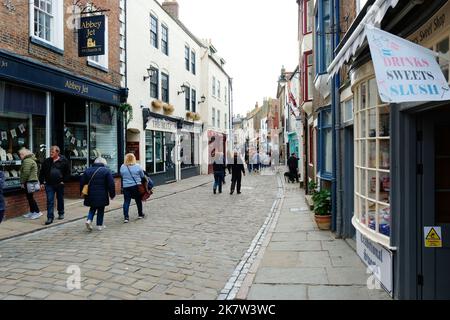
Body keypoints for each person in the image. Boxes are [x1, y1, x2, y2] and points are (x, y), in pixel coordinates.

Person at [80, 157, 115, 231]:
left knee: (92, 207)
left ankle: (89, 220)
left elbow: (82, 182)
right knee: (101, 209)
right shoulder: (106, 171)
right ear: (103, 163)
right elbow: (111, 184)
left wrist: (82, 193)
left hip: (90, 194)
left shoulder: (87, 170)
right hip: (102, 194)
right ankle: (99, 225)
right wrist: (112, 194)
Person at [39, 146, 70, 225]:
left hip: (59, 184)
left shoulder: (64, 161)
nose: (51, 153)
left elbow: (68, 172)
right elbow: (42, 172)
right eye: (50, 152)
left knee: (60, 199)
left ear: (57, 152)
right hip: (49, 184)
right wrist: (41, 182)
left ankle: (61, 212)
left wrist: (64, 181)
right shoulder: (47, 161)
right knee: (50, 200)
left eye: (52, 152)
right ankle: (50, 217)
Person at [120, 153, 145, 223]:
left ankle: (126, 217)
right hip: (136, 186)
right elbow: (142, 176)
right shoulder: (138, 166)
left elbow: (121, 175)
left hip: (126, 186)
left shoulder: (122, 166)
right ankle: (140, 214)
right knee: (138, 200)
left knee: (126, 201)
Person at [19, 148, 42, 220]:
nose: (20, 156)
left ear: (24, 154)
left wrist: (22, 182)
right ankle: (32, 211)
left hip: (29, 181)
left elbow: (26, 173)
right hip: (31, 181)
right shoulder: (30, 160)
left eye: (20, 154)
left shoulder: (27, 161)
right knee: (30, 198)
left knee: (30, 198)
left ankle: (37, 212)